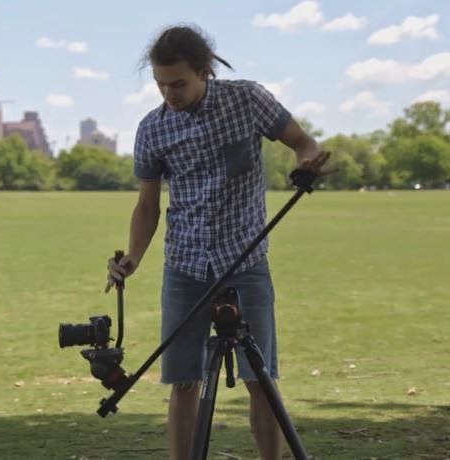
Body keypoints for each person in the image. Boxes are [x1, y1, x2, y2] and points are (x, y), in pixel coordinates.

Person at [106, 25, 332, 460]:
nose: (169, 93)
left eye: (179, 83)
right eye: (160, 84)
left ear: (205, 71)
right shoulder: (151, 129)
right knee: (184, 382)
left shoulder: (247, 99)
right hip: (184, 267)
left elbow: (303, 142)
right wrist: (132, 257)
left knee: (260, 381)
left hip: (245, 262)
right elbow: (148, 206)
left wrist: (307, 166)